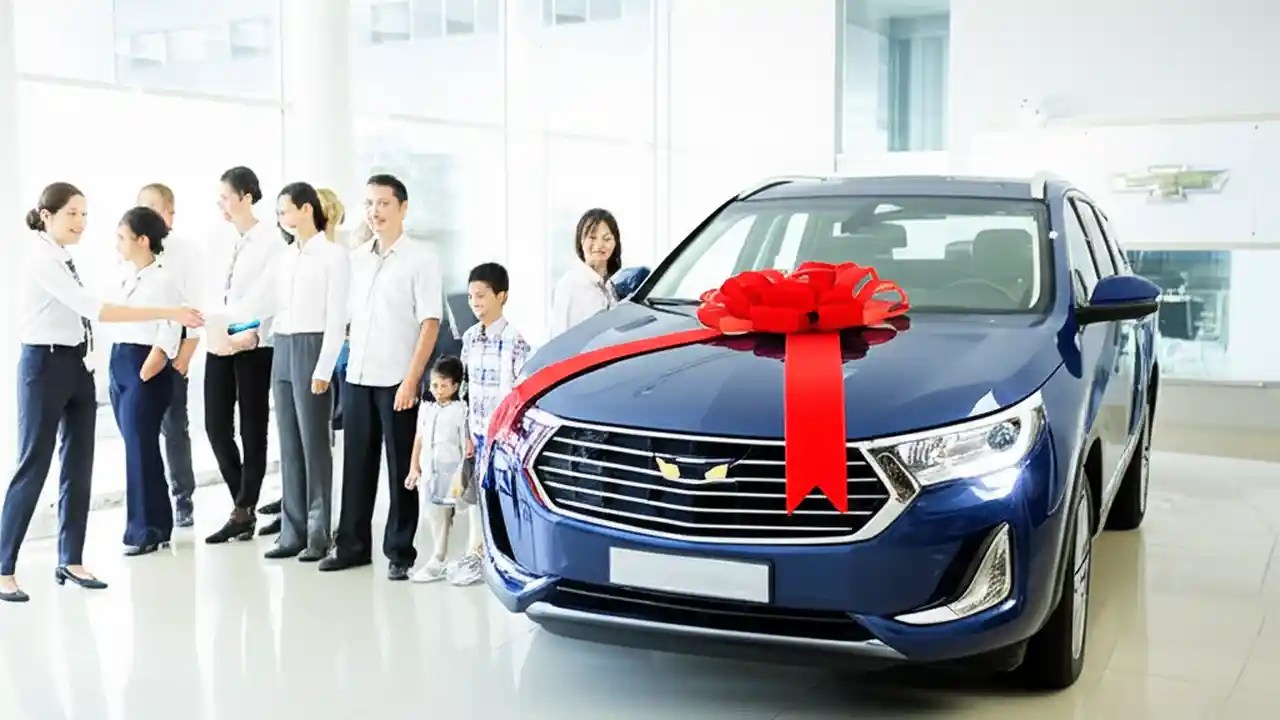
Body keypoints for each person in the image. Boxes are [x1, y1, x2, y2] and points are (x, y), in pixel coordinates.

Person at [0, 183, 202, 603]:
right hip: (43, 364)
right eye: (72, 214)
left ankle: (70, 559)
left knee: (79, 465)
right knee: (32, 464)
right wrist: (168, 312)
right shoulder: (41, 260)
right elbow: (97, 309)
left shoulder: (66, 258)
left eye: (84, 214)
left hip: (76, 363)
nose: (81, 223)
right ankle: (3, 567)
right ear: (46, 215)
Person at [319, 174, 441, 582]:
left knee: (401, 469)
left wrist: (412, 380)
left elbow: (430, 322)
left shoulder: (421, 259)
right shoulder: (356, 259)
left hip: (397, 379)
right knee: (356, 465)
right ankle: (352, 546)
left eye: (384, 203)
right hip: (358, 374)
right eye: (369, 203)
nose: (375, 211)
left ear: (402, 208)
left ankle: (400, 551)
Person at [256, 182, 349, 562]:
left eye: (285, 210)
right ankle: (291, 532)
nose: (281, 218)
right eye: (278, 213)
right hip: (283, 343)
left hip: (313, 347)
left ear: (306, 209)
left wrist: (324, 366)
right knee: (289, 445)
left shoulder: (332, 256)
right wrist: (220, 316)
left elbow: (337, 317)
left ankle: (318, 532)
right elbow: (261, 300)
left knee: (315, 445)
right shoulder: (284, 257)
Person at [200, 166, 288, 545]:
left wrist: (247, 331)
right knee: (215, 425)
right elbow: (208, 288)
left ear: (247, 197)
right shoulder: (219, 239)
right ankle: (245, 502)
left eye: (226, 196)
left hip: (254, 341)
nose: (220, 203)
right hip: (219, 338)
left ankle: (242, 510)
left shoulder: (273, 240)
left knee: (253, 427)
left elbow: (271, 294)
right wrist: (215, 327)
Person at [449, 262, 532, 586]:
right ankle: (476, 553)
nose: (475, 303)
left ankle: (494, 557)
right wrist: (467, 432)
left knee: (496, 493)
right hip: (477, 431)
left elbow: (518, 393)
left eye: (481, 296)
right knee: (474, 495)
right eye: (471, 297)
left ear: (502, 296)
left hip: (501, 436)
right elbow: (466, 387)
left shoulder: (515, 341)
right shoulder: (470, 338)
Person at [108, 207, 184, 557]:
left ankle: (144, 531)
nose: (118, 243)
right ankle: (157, 524)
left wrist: (149, 367)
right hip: (120, 362)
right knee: (139, 450)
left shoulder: (164, 278)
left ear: (143, 240)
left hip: (145, 365)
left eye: (123, 236)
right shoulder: (124, 274)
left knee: (141, 448)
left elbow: (171, 326)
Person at [137, 183, 199, 528]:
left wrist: (186, 353)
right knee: (141, 435)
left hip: (174, 353)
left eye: (155, 208)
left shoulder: (185, 252)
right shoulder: (129, 247)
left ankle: (183, 499)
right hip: (138, 352)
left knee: (175, 429)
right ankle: (151, 502)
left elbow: (195, 306)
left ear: (169, 213)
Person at [404, 356, 467, 583]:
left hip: (450, 470)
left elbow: (464, 445)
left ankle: (441, 557)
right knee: (431, 512)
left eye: (443, 385)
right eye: (434, 385)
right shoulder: (427, 409)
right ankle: (437, 555)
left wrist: (462, 473)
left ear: (455, 386)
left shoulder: (460, 411)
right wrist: (414, 468)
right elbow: (419, 439)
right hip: (428, 469)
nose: (438, 390)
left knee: (447, 513)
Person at [548, 208, 623, 337]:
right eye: (592, 237)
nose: (599, 245)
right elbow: (559, 337)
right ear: (580, 241)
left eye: (606, 238)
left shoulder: (609, 286)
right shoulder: (570, 284)